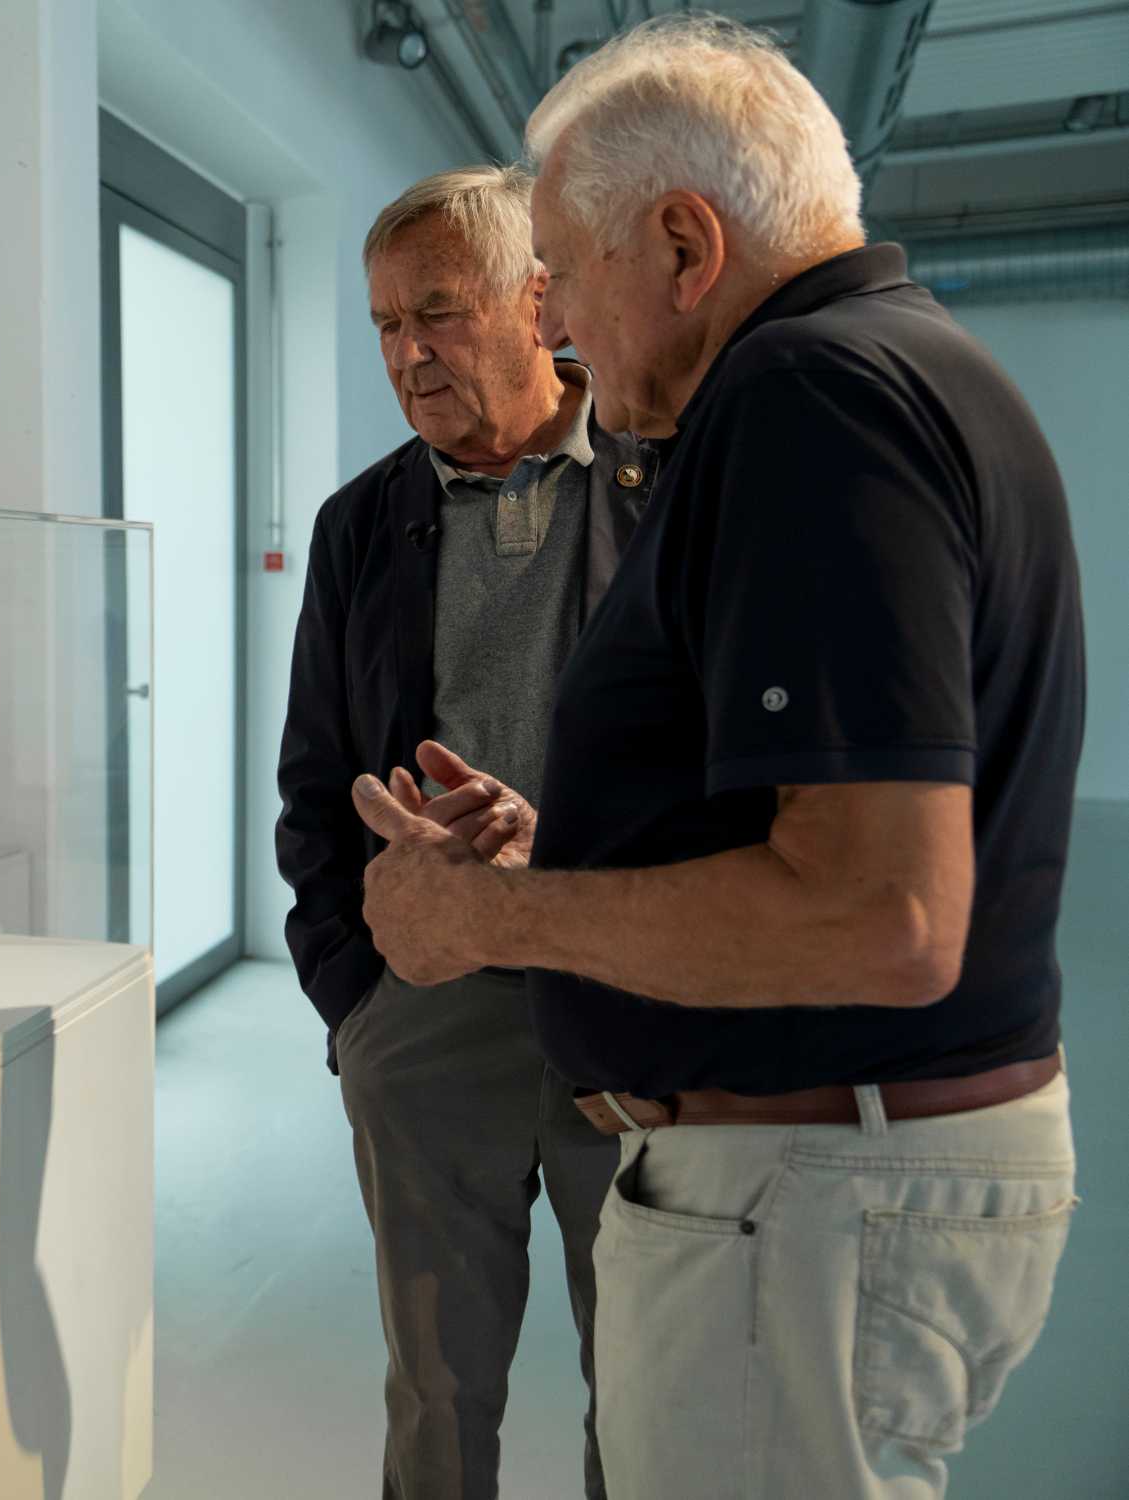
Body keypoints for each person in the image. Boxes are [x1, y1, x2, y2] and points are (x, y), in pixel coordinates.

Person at [348, 18, 1084, 1500]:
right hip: (822, 1196)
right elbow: (809, 825)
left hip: (803, 1207)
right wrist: (562, 853)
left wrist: (494, 918)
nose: (554, 323)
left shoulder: (805, 399)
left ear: (683, 244)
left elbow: (879, 916)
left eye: (560, 268)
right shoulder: (892, 369)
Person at [275, 164, 652, 1500]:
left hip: (631, 996)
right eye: (383, 323)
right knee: (434, 1393)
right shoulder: (359, 524)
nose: (406, 352)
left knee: (651, 1385)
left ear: (539, 300)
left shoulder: (667, 483)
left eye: (436, 311)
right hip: (428, 1016)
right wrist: (355, 1005)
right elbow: (316, 784)